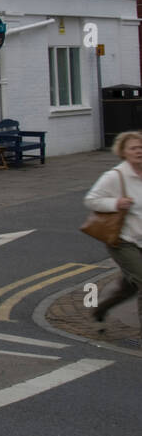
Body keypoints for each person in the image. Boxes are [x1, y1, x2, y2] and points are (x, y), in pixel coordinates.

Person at [83, 130, 142, 328]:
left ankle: (101, 309)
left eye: (141, 147)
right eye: (133, 148)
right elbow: (91, 200)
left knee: (130, 287)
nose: (139, 151)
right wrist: (116, 203)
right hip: (123, 241)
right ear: (123, 152)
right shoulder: (115, 176)